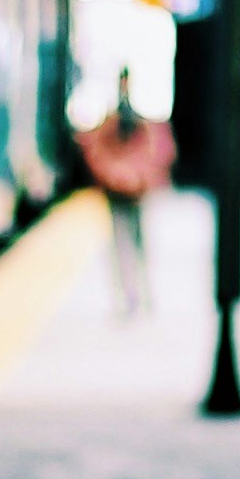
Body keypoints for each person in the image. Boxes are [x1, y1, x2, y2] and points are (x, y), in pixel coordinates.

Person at [74, 88, 175, 314]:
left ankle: (139, 294)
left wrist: (123, 176)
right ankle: (132, 296)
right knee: (128, 243)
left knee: (135, 243)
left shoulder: (136, 126)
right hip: (125, 191)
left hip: (130, 191)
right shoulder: (114, 126)